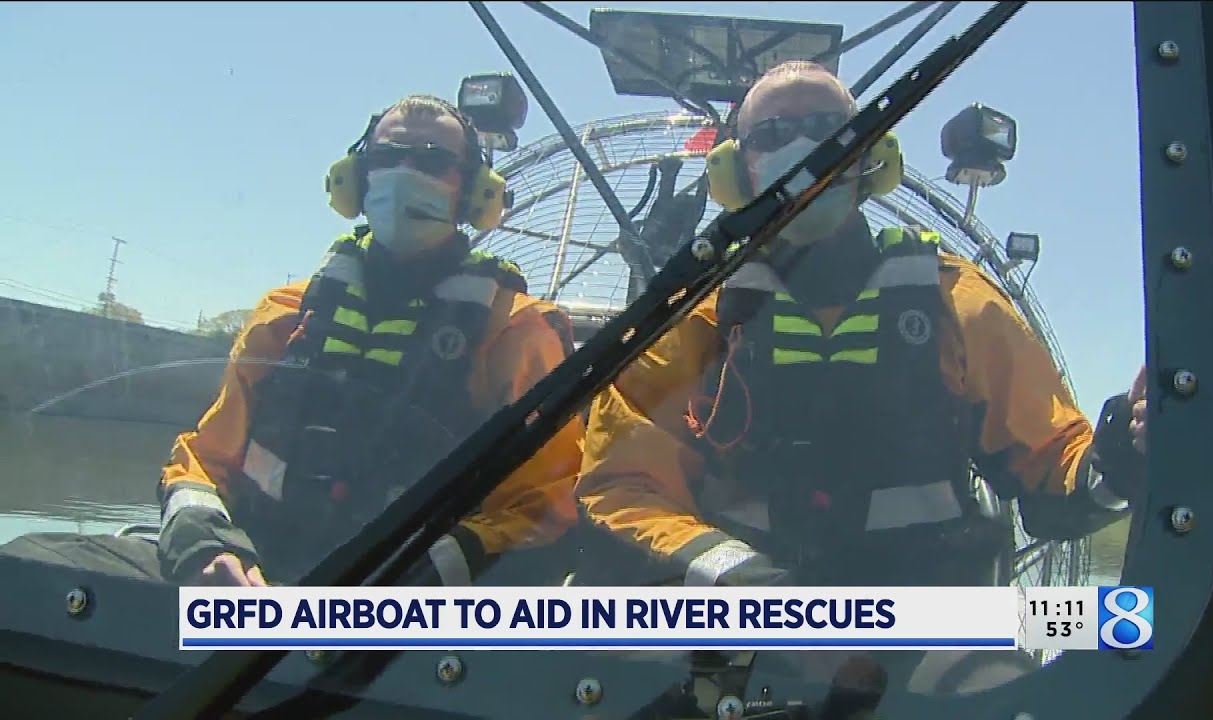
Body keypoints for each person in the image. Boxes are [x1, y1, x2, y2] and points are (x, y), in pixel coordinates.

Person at [572, 61, 1148, 692]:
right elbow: (622, 485)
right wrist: (743, 585)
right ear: (737, 169)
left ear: (871, 158)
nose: (802, 148)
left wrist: (1121, 454)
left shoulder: (954, 300)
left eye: (827, 130)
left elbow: (1055, 465)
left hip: (928, 637)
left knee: (1014, 680)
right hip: (740, 633)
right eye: (771, 135)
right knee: (581, 666)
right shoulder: (695, 317)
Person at [0, 94, 584, 589]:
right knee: (27, 567)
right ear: (355, 181)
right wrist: (208, 549)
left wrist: (421, 574)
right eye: (389, 156)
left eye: (434, 159)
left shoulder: (518, 330)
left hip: (409, 608)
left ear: (477, 193)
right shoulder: (282, 315)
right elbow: (204, 461)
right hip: (249, 579)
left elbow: (544, 504)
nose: (409, 171)